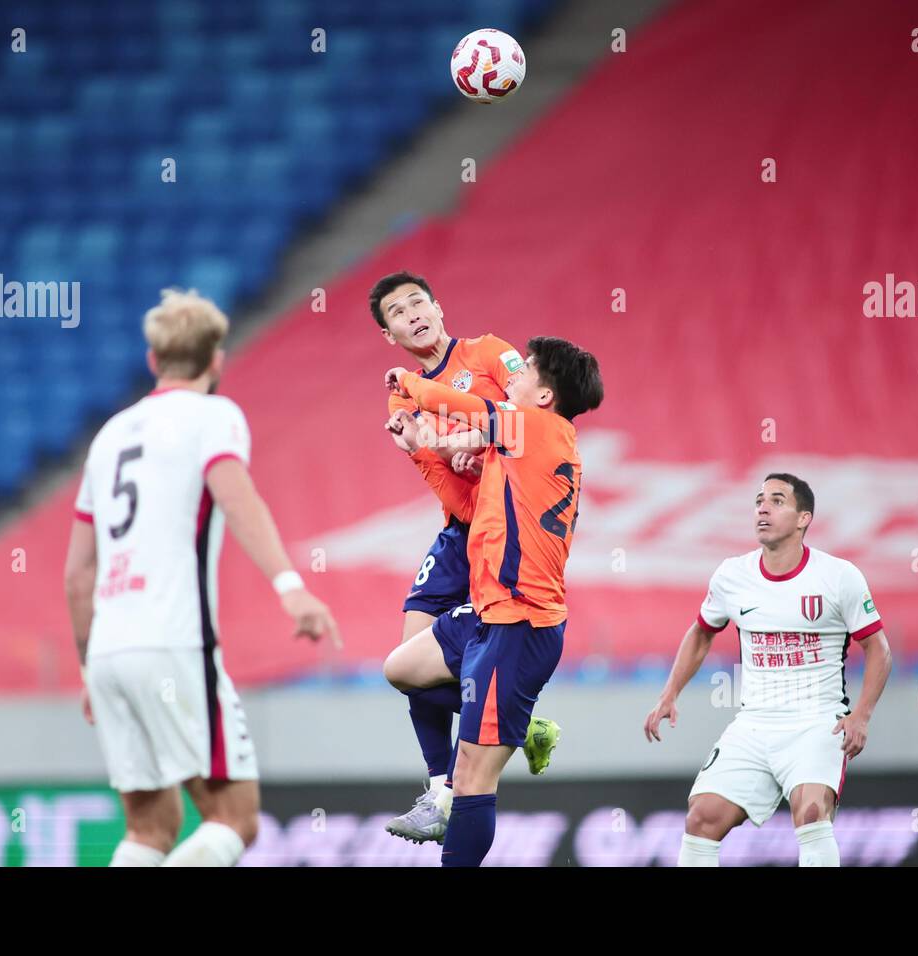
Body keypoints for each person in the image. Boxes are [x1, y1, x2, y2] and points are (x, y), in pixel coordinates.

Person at [63, 289, 339, 867]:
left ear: (153, 359)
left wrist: (89, 668)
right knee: (234, 819)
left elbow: (78, 574)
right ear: (217, 360)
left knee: (149, 829)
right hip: (173, 643)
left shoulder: (109, 436)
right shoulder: (214, 417)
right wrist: (291, 587)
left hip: (109, 652)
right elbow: (237, 499)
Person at [382, 336, 603, 866]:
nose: (514, 375)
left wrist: (407, 383)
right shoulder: (524, 438)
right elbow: (463, 461)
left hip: (520, 624)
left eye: (525, 370)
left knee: (471, 780)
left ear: (545, 395)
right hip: (488, 613)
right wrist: (422, 446)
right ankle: (518, 728)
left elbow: (462, 405)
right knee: (402, 669)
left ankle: (505, 731)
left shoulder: (534, 426)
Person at [645, 474, 892, 867]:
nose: (763, 507)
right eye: (759, 500)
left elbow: (878, 648)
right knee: (701, 819)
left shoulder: (838, 576)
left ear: (803, 518)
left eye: (777, 501)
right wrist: (669, 693)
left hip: (817, 722)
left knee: (811, 813)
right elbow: (702, 632)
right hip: (755, 723)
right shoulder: (732, 575)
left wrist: (860, 715)